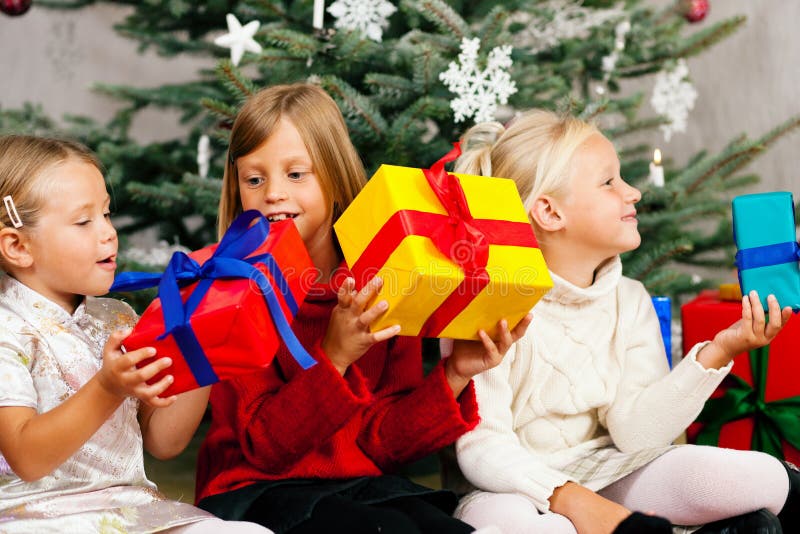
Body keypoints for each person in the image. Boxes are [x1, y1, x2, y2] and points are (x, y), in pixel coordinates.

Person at [194, 83, 526, 534]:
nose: (273, 193)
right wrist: (333, 357)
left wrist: (455, 374)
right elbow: (264, 448)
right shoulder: (231, 290)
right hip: (256, 489)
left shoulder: (382, 279)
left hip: (361, 486)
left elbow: (385, 446)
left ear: (333, 178)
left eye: (296, 174)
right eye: (255, 179)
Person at [450, 110, 800, 534]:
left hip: (605, 472)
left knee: (755, 474)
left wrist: (718, 350)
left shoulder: (629, 300)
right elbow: (481, 446)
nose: (632, 192)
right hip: (506, 490)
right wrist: (570, 501)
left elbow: (637, 435)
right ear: (550, 212)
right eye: (609, 182)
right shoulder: (486, 303)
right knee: (528, 529)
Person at [0, 135, 271, 534]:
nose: (109, 232)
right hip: (37, 517)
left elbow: (163, 442)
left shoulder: (117, 318)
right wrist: (108, 388)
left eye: (107, 215)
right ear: (18, 246)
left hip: (132, 511)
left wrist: (204, 343)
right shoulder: (8, 330)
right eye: (84, 221)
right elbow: (26, 456)